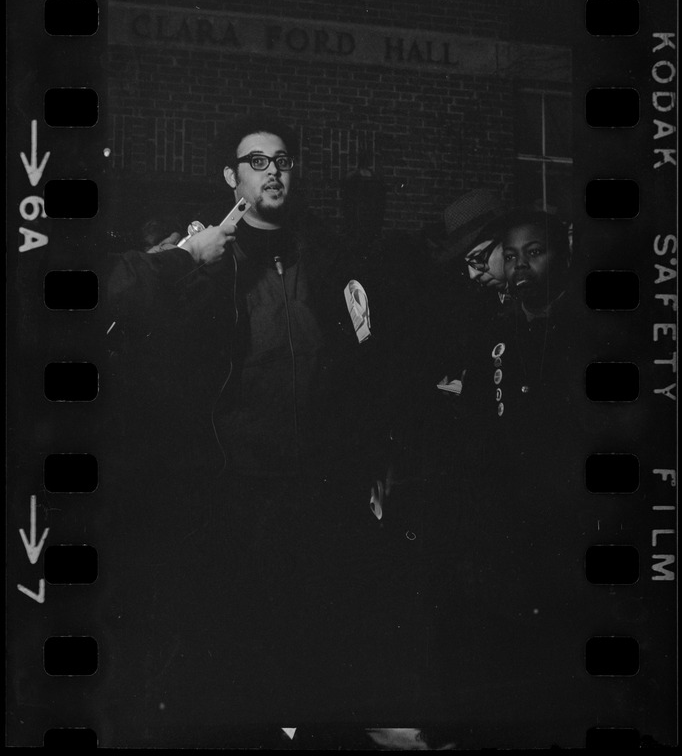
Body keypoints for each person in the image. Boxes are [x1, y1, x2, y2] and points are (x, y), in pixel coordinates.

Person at [99, 114, 403, 746]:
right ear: (231, 177)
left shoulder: (327, 256)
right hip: (234, 483)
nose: (274, 171)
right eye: (257, 161)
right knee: (236, 629)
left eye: (283, 160)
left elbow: (361, 365)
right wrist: (188, 262)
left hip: (316, 479)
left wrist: (371, 453)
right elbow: (162, 366)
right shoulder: (212, 258)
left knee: (315, 619)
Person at [413, 209, 632, 748]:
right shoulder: (497, 331)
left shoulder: (595, 330)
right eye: (510, 257)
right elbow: (481, 427)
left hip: (572, 520)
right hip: (507, 519)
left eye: (535, 253)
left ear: (564, 255)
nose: (520, 267)